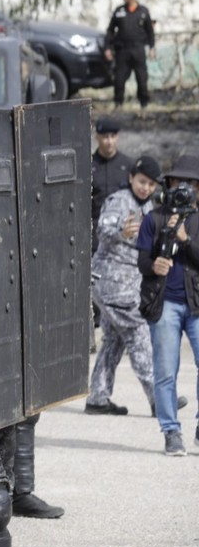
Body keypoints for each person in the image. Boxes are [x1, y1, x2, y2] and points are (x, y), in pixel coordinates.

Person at [87, 155, 164, 416]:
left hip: (127, 283)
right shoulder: (119, 201)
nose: (145, 188)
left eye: (151, 184)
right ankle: (160, 399)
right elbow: (102, 231)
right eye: (142, 182)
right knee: (139, 334)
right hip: (112, 282)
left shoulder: (149, 206)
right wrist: (121, 231)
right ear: (131, 178)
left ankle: (98, 397)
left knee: (113, 340)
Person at [137, 153, 199, 456]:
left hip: (197, 304)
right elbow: (142, 261)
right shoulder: (154, 218)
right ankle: (171, 431)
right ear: (170, 183)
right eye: (179, 181)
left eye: (190, 182)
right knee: (165, 371)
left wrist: (185, 239)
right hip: (164, 304)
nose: (184, 187)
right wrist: (154, 265)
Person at [104, 0, 156, 109]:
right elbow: (110, 31)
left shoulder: (143, 11)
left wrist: (152, 48)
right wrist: (107, 48)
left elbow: (150, 32)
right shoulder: (119, 11)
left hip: (138, 49)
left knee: (142, 78)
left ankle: (144, 104)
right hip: (122, 50)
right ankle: (118, 103)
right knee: (119, 78)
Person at [90, 117, 134, 251]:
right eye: (105, 137)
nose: (109, 141)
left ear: (117, 137)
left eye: (113, 136)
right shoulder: (89, 165)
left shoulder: (128, 165)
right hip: (95, 230)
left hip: (122, 229)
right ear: (97, 137)